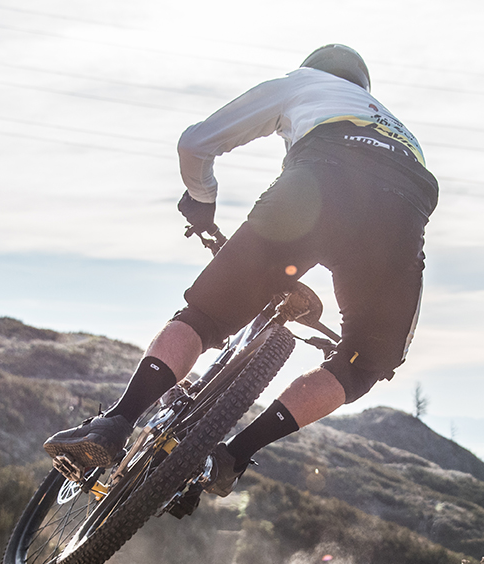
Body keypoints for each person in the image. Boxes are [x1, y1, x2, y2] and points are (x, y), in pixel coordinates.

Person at [44, 44, 438, 497]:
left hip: (317, 186)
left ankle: (116, 423)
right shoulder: (401, 131)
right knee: (366, 361)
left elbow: (195, 143)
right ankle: (233, 456)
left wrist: (202, 201)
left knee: (206, 317)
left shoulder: (304, 84)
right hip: (402, 217)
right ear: (364, 88)